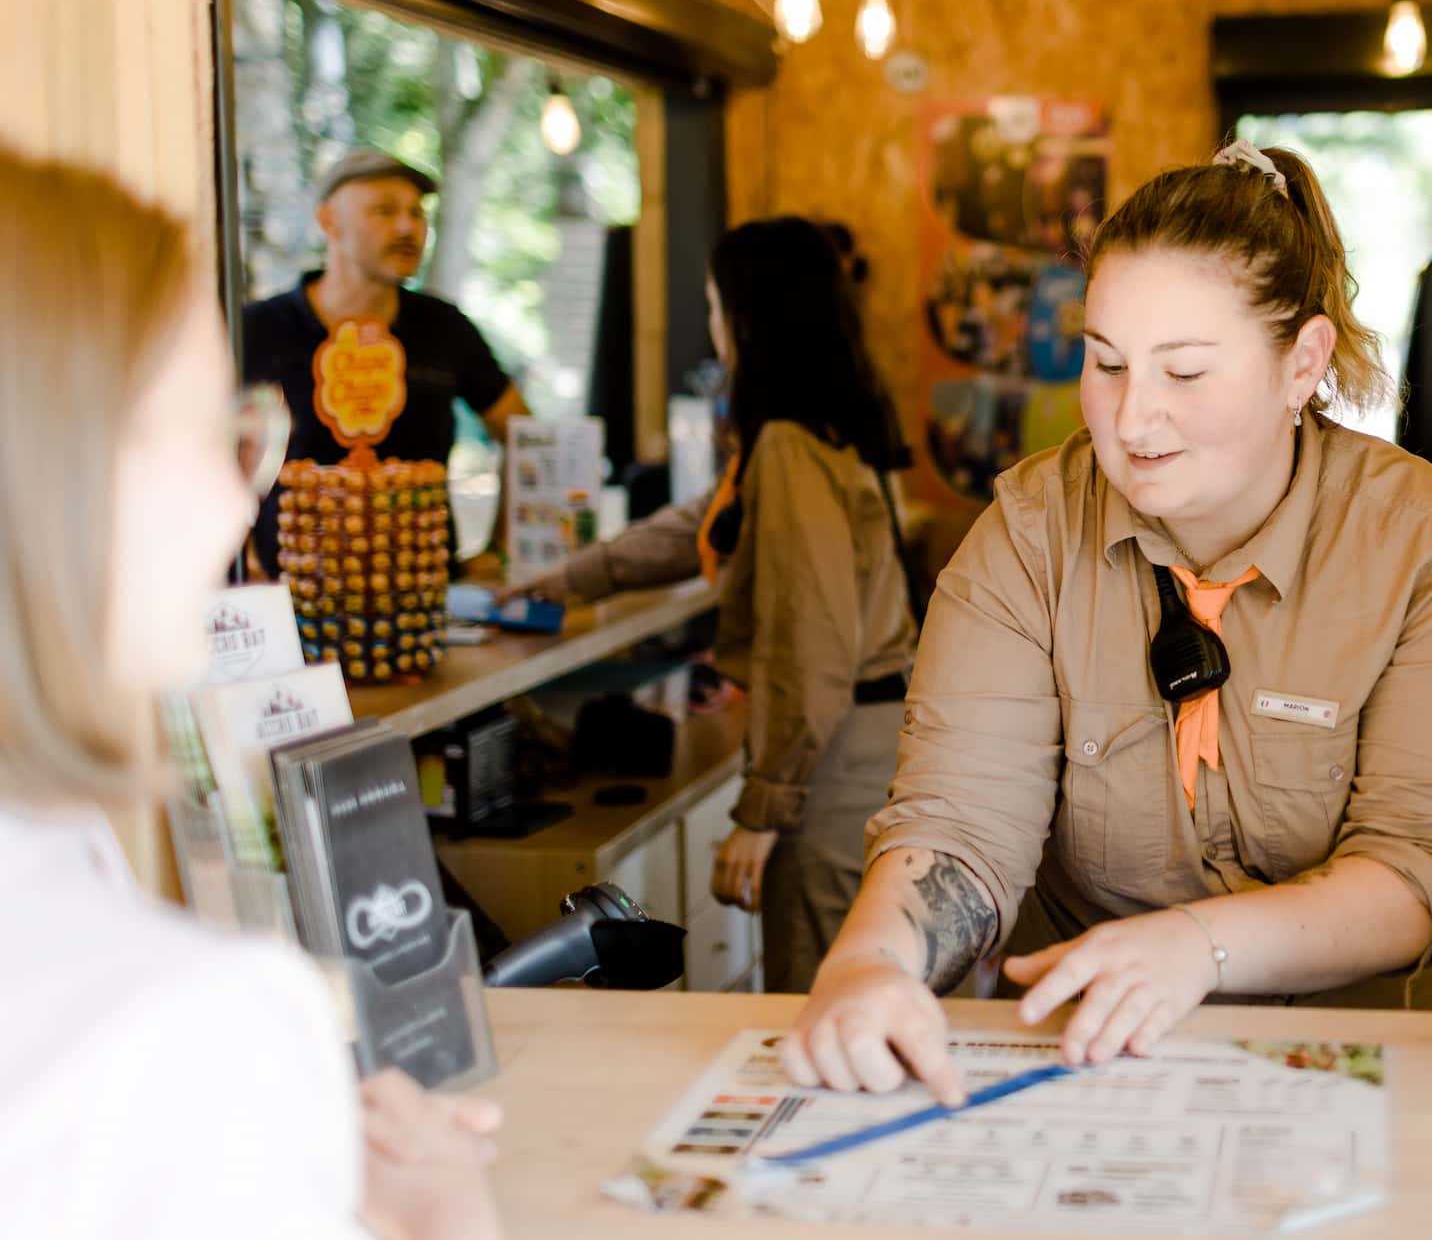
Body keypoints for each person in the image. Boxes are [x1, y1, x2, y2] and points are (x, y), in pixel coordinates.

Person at [776, 141, 1432, 1104]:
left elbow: (1420, 868)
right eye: (1107, 363)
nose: (1132, 420)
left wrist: (1200, 946)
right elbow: (958, 823)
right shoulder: (1029, 537)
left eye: (1183, 373)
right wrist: (871, 965)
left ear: (1302, 362)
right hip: (1105, 1067)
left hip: (1404, 1058)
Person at [0, 148, 504, 1237]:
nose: (248, 500)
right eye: (216, 438)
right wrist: (441, 1218)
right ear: (67, 480)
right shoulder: (185, 1031)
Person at [502, 218, 918, 992]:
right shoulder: (812, 432)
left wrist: (761, 812)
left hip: (831, 761)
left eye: (717, 307)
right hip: (860, 741)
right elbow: (707, 520)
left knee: (825, 1001)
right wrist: (574, 575)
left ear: (752, 316)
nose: (714, 326)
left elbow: (809, 642)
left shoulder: (791, 445)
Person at [242, 148, 530, 574]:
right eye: (384, 211)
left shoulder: (444, 327)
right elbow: (201, 454)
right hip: (289, 607)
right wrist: (244, 566)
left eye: (417, 213)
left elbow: (526, 436)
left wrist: (500, 550)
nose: (407, 227)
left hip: (424, 605)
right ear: (329, 222)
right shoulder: (259, 328)